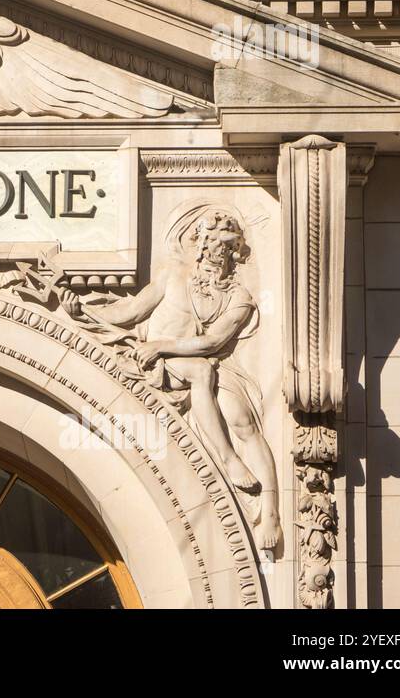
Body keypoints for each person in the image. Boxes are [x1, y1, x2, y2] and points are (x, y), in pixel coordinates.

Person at [83, 203, 281, 552]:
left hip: (195, 358)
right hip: (161, 363)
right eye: (215, 244)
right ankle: (228, 460)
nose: (220, 253)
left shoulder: (239, 297)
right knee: (202, 371)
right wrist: (81, 309)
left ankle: (272, 513)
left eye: (228, 246)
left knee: (243, 422)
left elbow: (213, 342)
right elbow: (129, 311)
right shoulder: (172, 275)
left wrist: (162, 345)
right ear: (201, 244)